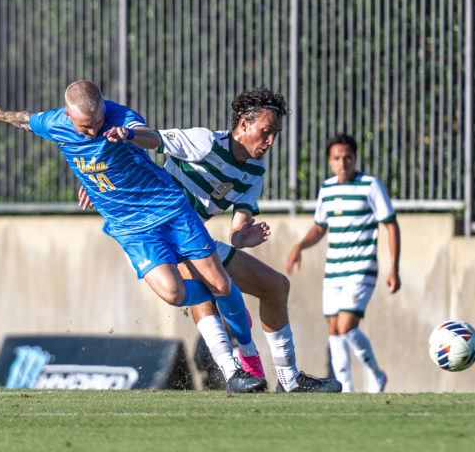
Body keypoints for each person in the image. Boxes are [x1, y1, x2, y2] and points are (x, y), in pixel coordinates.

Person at [0, 80, 266, 394]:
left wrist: (129, 134)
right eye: (85, 127)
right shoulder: (55, 123)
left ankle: (242, 366)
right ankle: (216, 299)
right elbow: (27, 119)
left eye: (98, 123)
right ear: (67, 115)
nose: (94, 131)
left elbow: (149, 135)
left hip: (170, 208)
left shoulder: (120, 118)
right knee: (174, 293)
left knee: (220, 282)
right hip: (130, 228)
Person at [80, 87, 341, 393]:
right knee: (209, 283)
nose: (270, 141)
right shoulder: (205, 142)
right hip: (156, 237)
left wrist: (243, 236)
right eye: (266, 132)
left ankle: (288, 379)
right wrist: (110, 163)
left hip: (192, 240)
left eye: (276, 135)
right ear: (243, 124)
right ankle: (233, 373)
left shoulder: (255, 171)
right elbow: (155, 140)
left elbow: (236, 230)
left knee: (275, 286)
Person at [285, 133, 401, 393]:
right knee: (335, 330)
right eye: (337, 158)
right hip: (334, 271)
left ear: (355, 158)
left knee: (347, 326)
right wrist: (299, 246)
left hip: (362, 268)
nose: (343, 163)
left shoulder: (370, 185)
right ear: (329, 161)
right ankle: (345, 390)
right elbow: (319, 227)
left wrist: (394, 267)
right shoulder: (327, 189)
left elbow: (390, 225)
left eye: (347, 157)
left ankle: (376, 375)